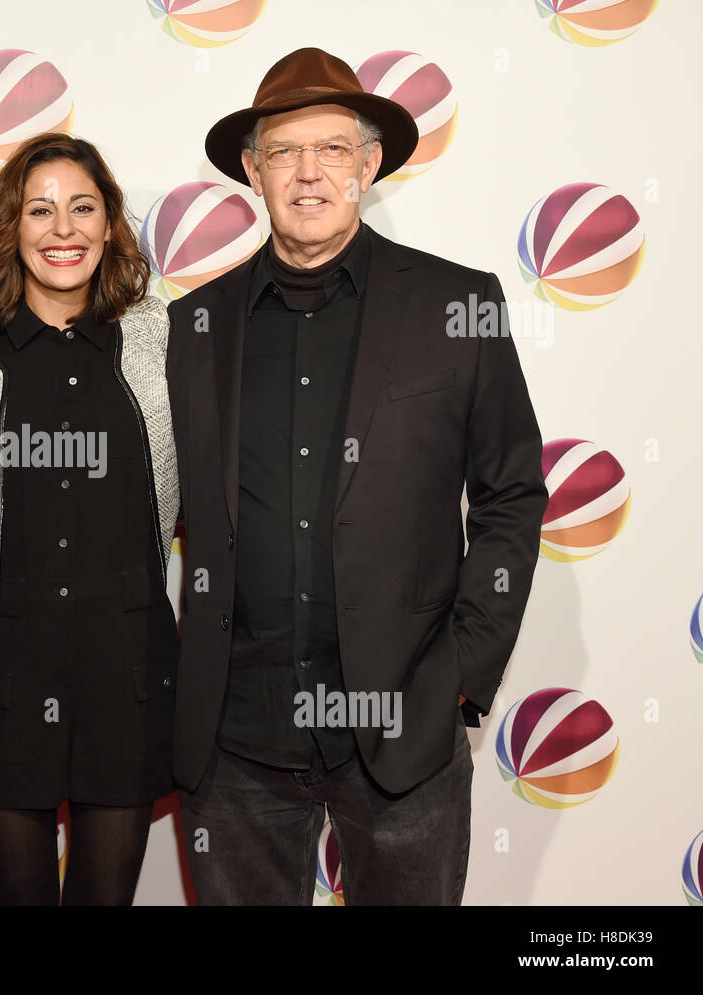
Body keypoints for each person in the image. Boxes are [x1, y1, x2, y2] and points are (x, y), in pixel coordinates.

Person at [168, 47, 547, 905]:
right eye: (285, 152)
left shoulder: (460, 304)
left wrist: (462, 669)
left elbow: (512, 495)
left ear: (369, 165)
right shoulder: (194, 326)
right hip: (236, 743)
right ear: (251, 170)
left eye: (332, 149)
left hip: (404, 731)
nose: (308, 174)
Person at [0, 133, 180, 905]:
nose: (62, 228)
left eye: (82, 207)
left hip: (128, 674)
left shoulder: (160, 338)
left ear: (109, 225)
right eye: (40, 210)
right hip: (3, 671)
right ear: (12, 226)